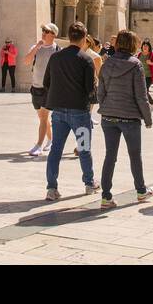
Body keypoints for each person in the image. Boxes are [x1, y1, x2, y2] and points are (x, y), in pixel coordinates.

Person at [95, 29, 153, 208]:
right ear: (133, 44)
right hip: (129, 117)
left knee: (110, 156)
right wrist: (148, 118)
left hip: (108, 116)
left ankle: (106, 196)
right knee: (135, 156)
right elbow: (141, 96)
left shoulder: (107, 63)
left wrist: (106, 105)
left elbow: (100, 91)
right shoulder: (135, 65)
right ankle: (141, 191)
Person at [42, 21, 97, 201]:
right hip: (79, 112)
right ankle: (89, 184)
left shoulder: (56, 57)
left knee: (56, 149)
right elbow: (90, 88)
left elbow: (46, 82)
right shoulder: (86, 59)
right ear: (84, 38)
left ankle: (52, 188)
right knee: (83, 148)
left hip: (58, 111)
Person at [25, 23, 60, 156]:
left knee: (44, 117)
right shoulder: (36, 47)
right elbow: (26, 61)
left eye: (47, 31)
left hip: (49, 89)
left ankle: (38, 145)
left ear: (54, 34)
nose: (43, 32)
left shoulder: (57, 50)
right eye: (43, 30)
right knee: (42, 119)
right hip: (35, 87)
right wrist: (36, 48)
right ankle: (51, 140)